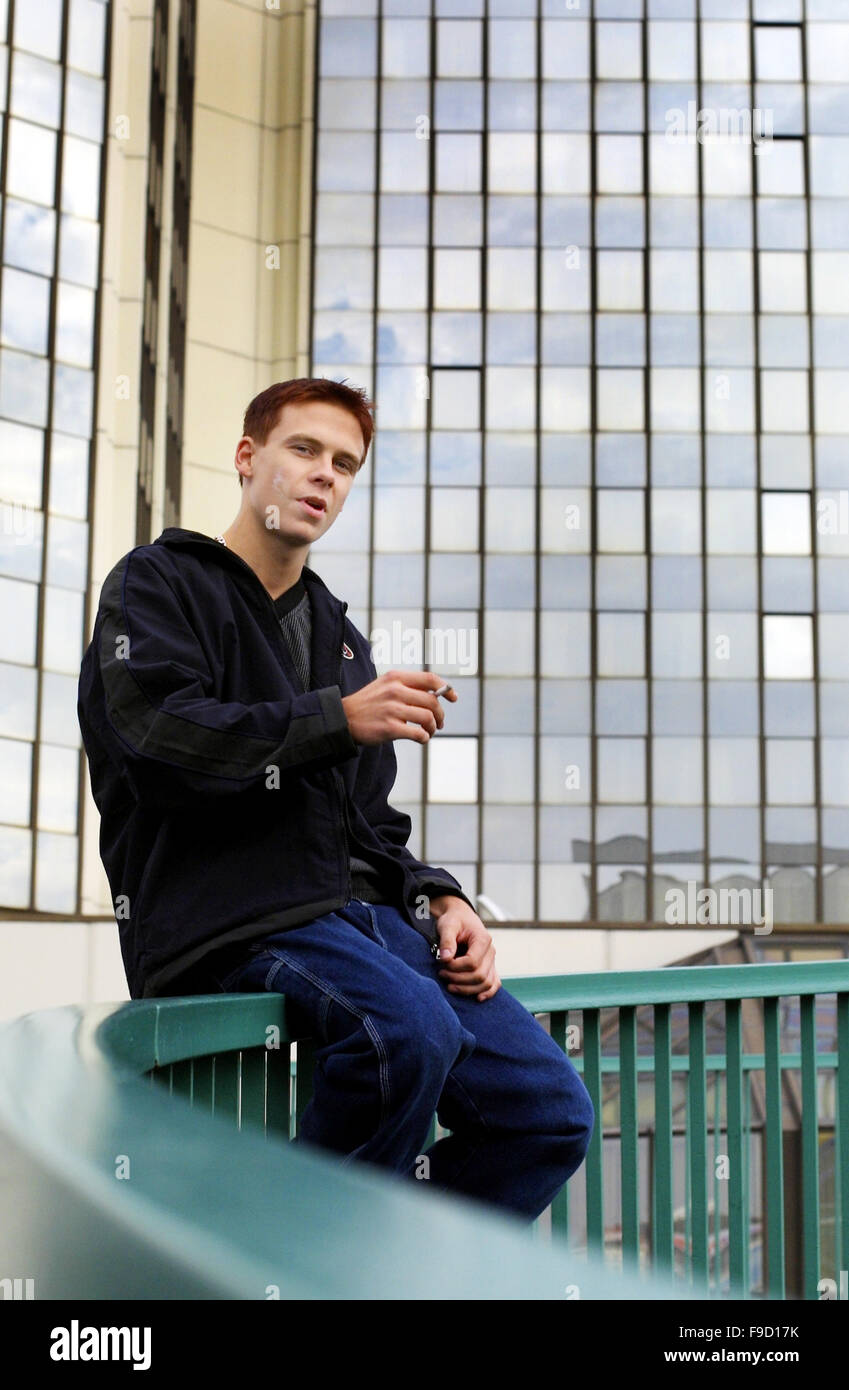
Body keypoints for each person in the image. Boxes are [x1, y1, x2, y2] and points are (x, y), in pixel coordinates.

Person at [77, 377, 593, 1221]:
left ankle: (382, 1272)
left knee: (548, 1115)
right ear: (249, 460)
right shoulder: (156, 583)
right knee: (407, 1037)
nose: (324, 475)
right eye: (303, 450)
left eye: (345, 463)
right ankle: (290, 1269)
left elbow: (370, 826)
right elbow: (157, 742)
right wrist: (333, 719)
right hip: (235, 917)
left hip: (366, 922)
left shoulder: (341, 640)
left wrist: (438, 895)